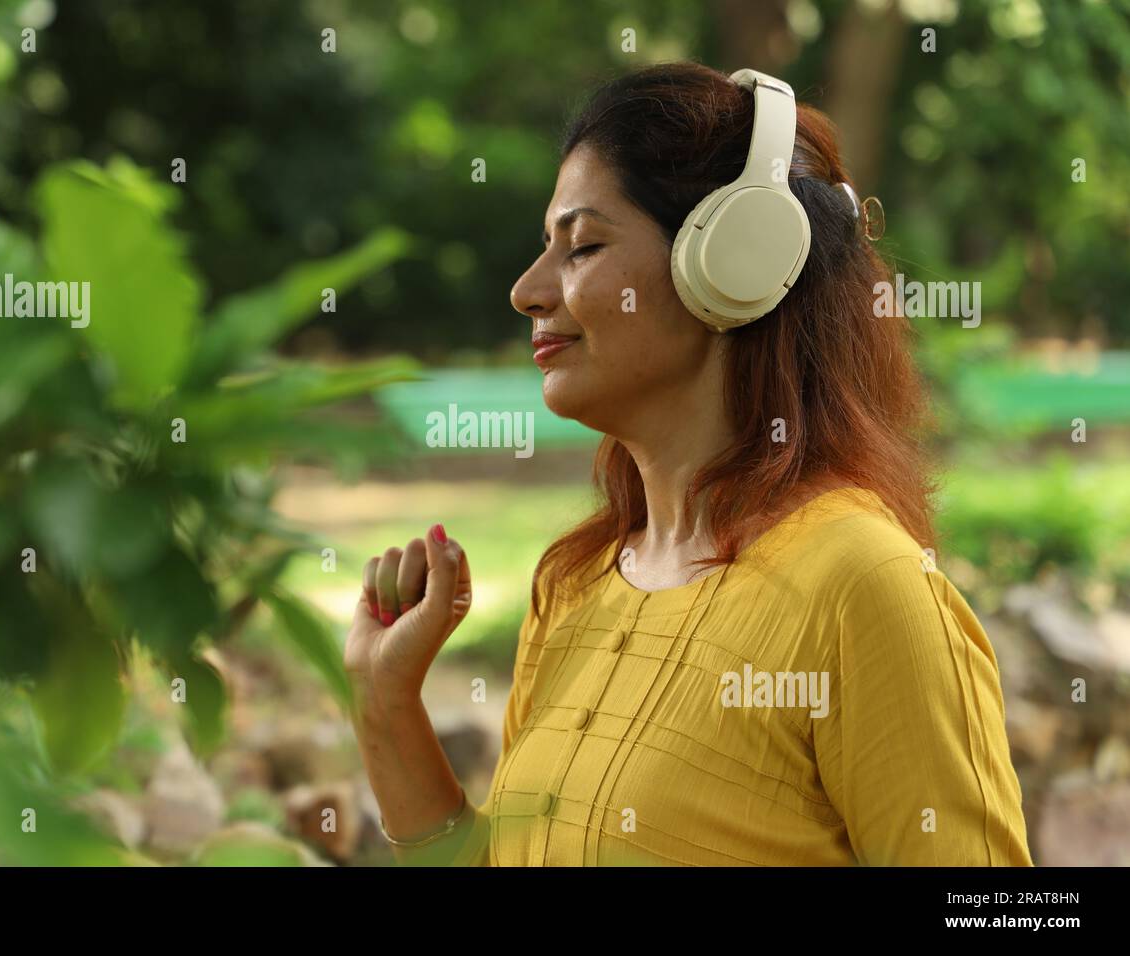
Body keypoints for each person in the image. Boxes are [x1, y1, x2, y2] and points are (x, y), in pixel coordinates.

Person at [343, 61, 1032, 866]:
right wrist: (385, 703)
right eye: (546, 249)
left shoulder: (864, 588)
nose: (528, 291)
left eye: (584, 246)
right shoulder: (574, 584)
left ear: (730, 264)